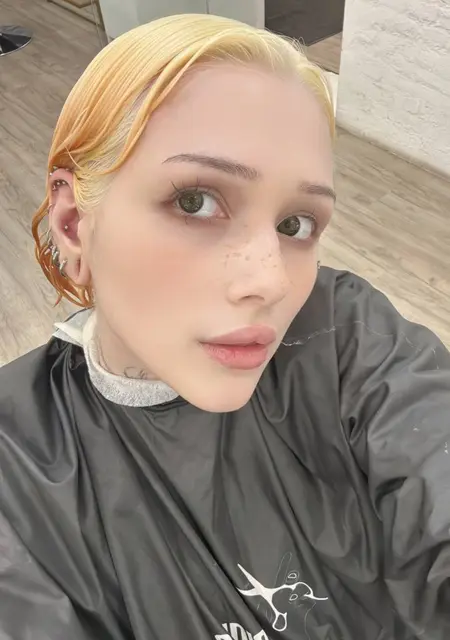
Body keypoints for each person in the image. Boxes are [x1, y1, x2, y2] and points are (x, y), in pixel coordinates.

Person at [0, 13, 449, 640]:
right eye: (195, 202)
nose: (271, 280)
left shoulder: (345, 331)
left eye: (295, 224)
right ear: (74, 224)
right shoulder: (17, 467)